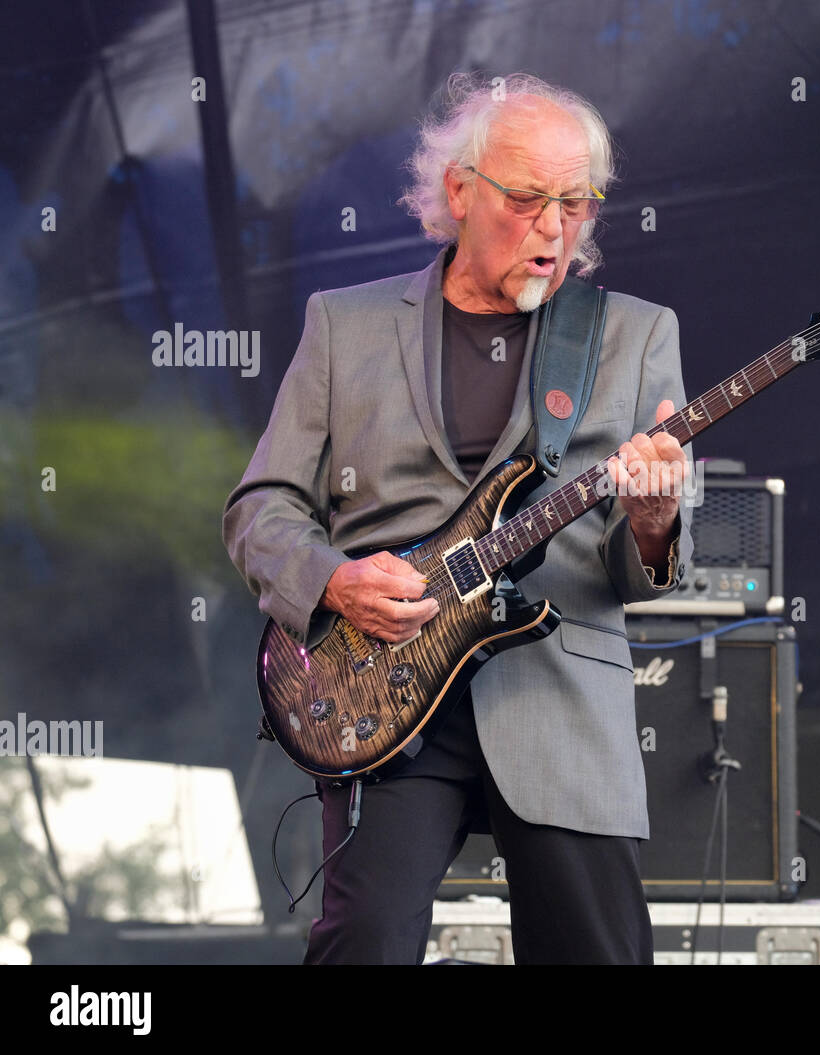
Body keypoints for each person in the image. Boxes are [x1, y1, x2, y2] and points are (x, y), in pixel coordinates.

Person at [222, 72, 693, 965]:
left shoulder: (635, 336)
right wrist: (334, 579)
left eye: (577, 203)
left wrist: (656, 518)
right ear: (459, 190)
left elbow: (645, 577)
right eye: (525, 199)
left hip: (558, 687)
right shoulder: (344, 326)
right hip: (382, 690)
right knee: (362, 941)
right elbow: (261, 508)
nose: (554, 228)